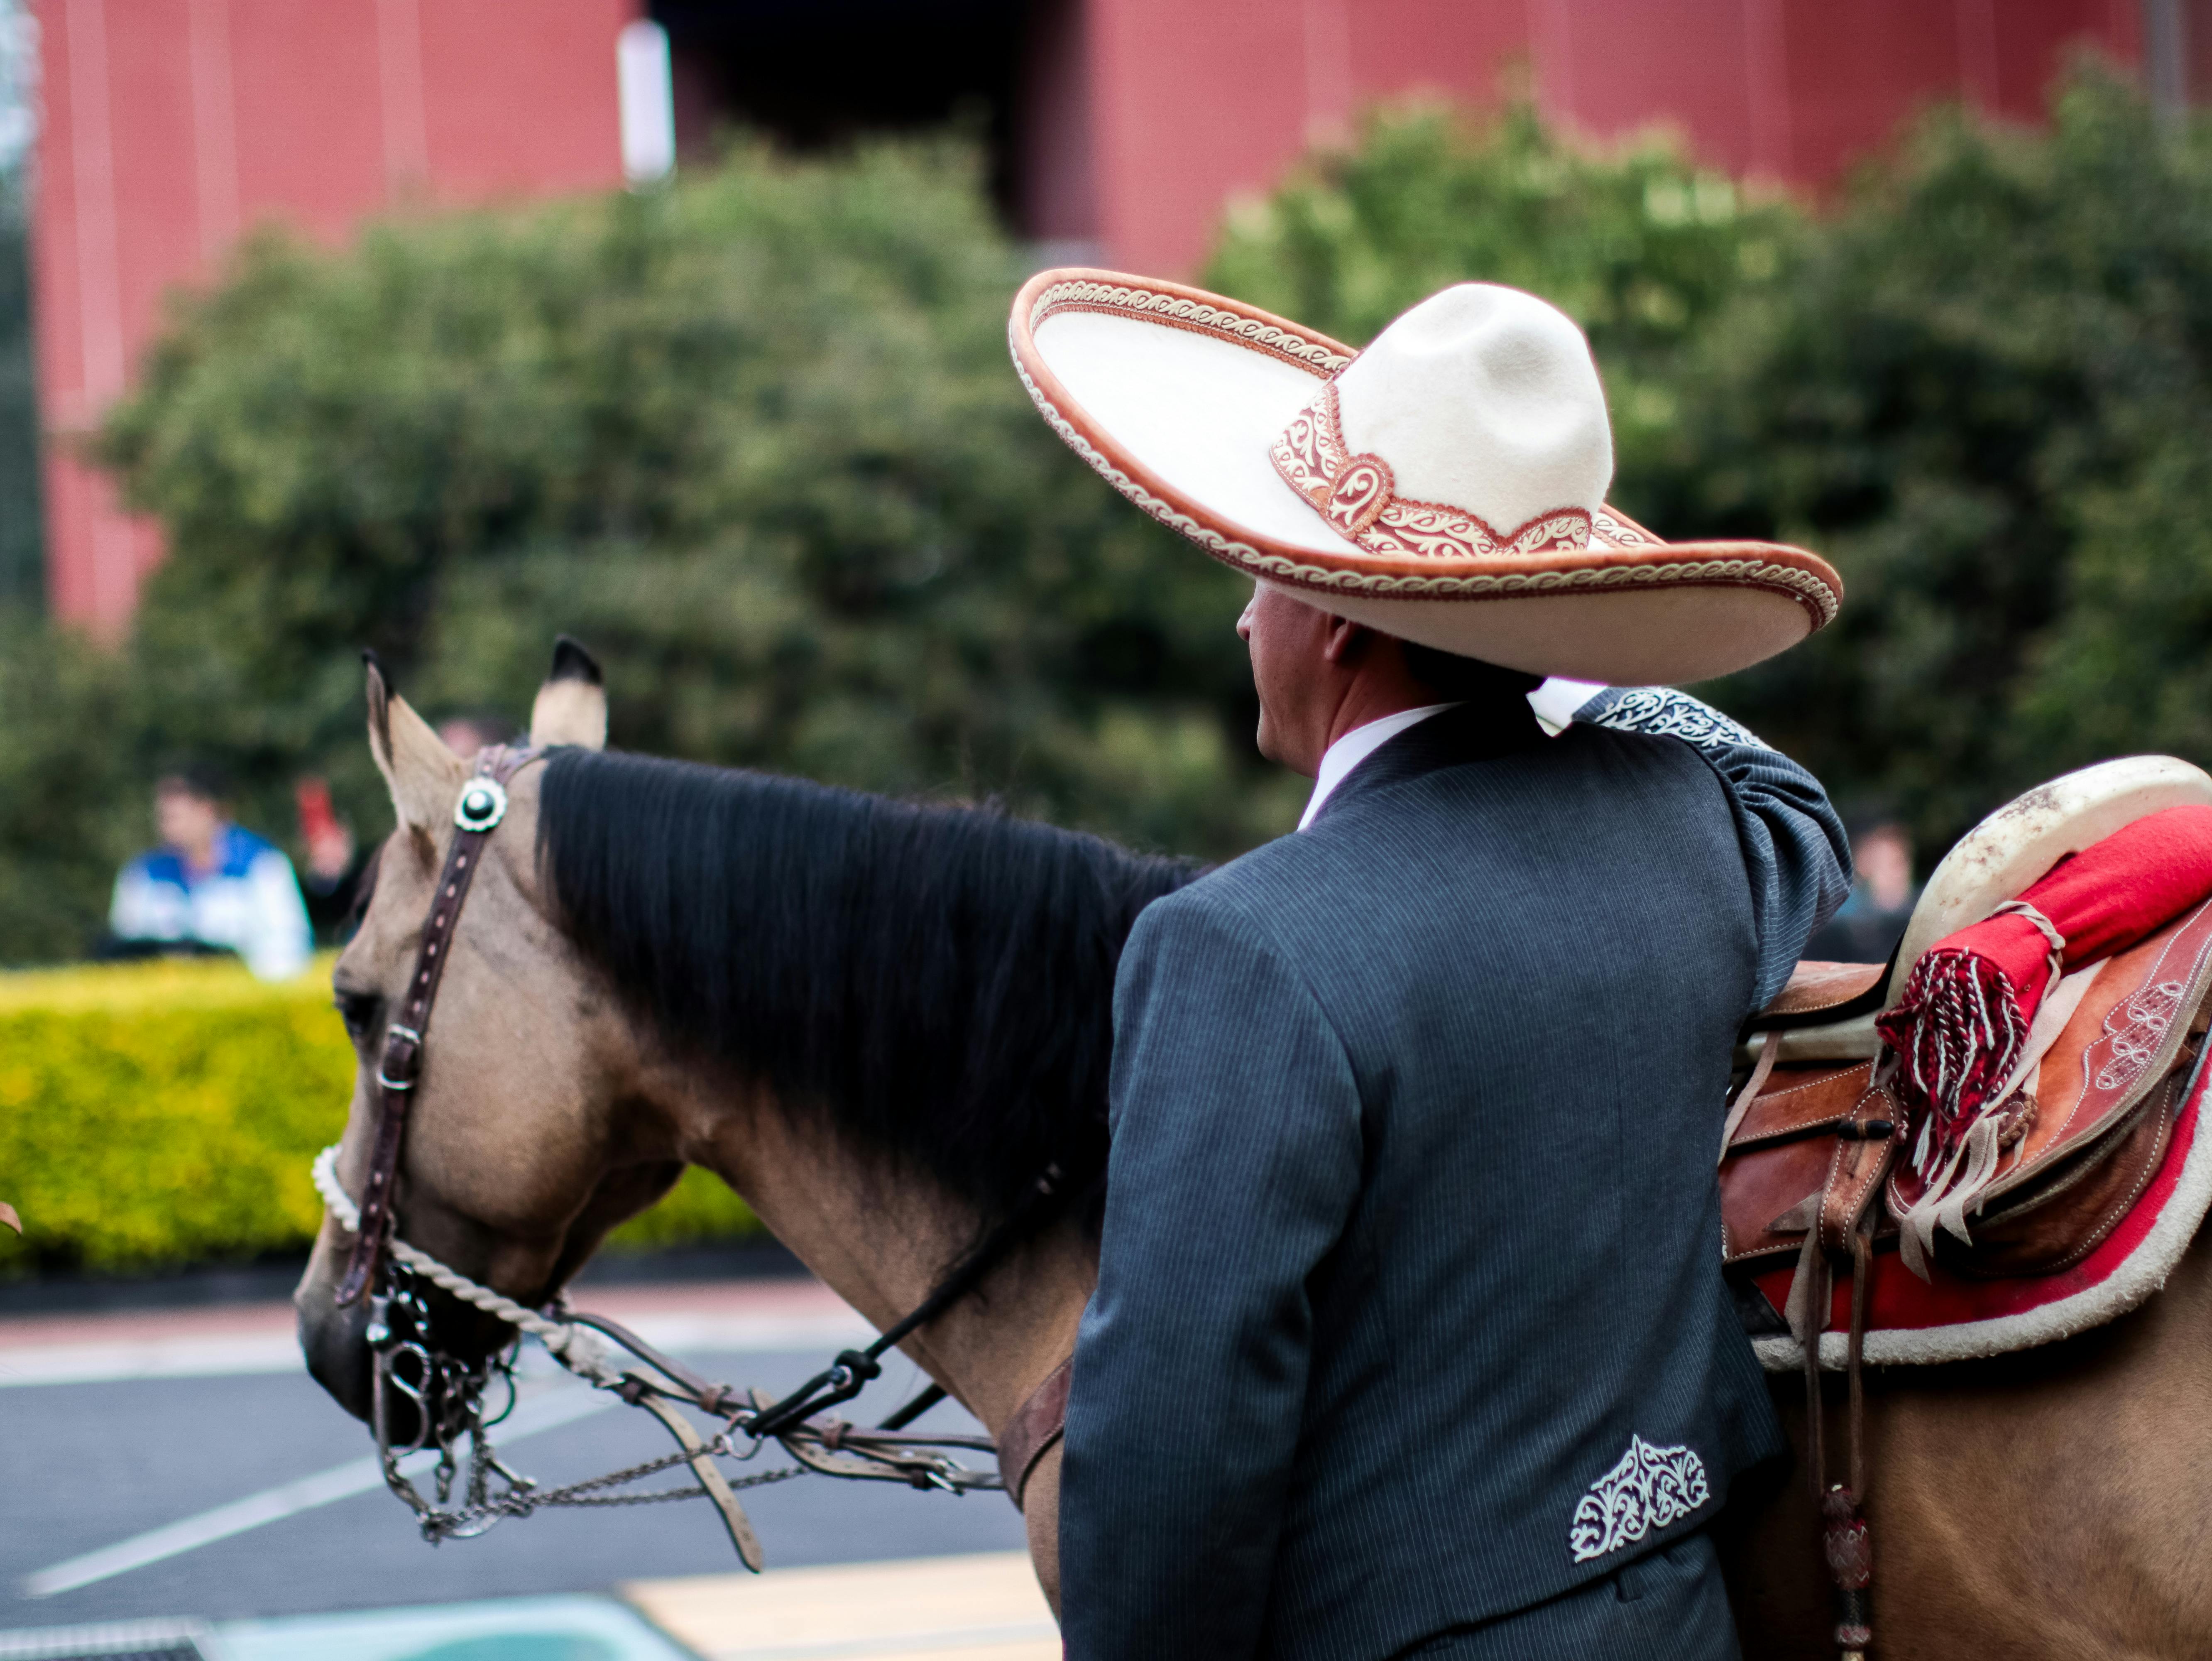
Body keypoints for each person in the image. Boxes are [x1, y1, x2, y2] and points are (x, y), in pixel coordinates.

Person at [1008, 274, 1852, 1658]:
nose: (1240, 621)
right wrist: (1557, 648)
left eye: (1260, 573)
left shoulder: (1241, 944)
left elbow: (1171, 1451)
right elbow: (1786, 800)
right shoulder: (1691, 836)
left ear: (1336, 617)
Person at [108, 765, 314, 980]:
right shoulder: (143, 874)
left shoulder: (263, 866)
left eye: (174, 817)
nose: (165, 828)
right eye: (162, 818)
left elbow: (289, 946)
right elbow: (125, 951)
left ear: (206, 810)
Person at [1806, 813, 1917, 964]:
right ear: (1864, 867)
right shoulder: (1840, 918)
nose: (1898, 875)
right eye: (1890, 866)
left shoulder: (1919, 910)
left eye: (1902, 864)